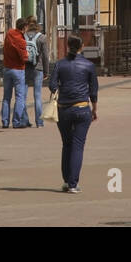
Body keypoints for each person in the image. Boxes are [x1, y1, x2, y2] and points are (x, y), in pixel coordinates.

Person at [49, 34, 98, 193]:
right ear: (81, 47)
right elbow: (93, 91)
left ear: (68, 46)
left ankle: (66, 180)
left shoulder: (60, 64)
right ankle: (73, 184)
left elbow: (52, 85)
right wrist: (94, 109)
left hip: (63, 109)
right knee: (78, 146)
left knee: (67, 144)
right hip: (82, 108)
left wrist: (60, 91)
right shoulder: (89, 65)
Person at [1, 17, 29, 128]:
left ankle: (5, 121)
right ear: (24, 27)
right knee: (20, 97)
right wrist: (27, 56)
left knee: (6, 97)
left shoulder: (9, 34)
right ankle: (16, 122)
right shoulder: (21, 40)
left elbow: (4, 49)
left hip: (7, 68)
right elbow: (24, 57)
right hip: (18, 70)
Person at [24, 17, 47, 126]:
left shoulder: (23, 36)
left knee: (22, 96)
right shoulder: (42, 37)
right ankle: (39, 122)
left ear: (27, 24)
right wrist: (46, 71)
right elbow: (45, 56)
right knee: (37, 95)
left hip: (25, 67)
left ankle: (24, 120)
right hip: (38, 68)